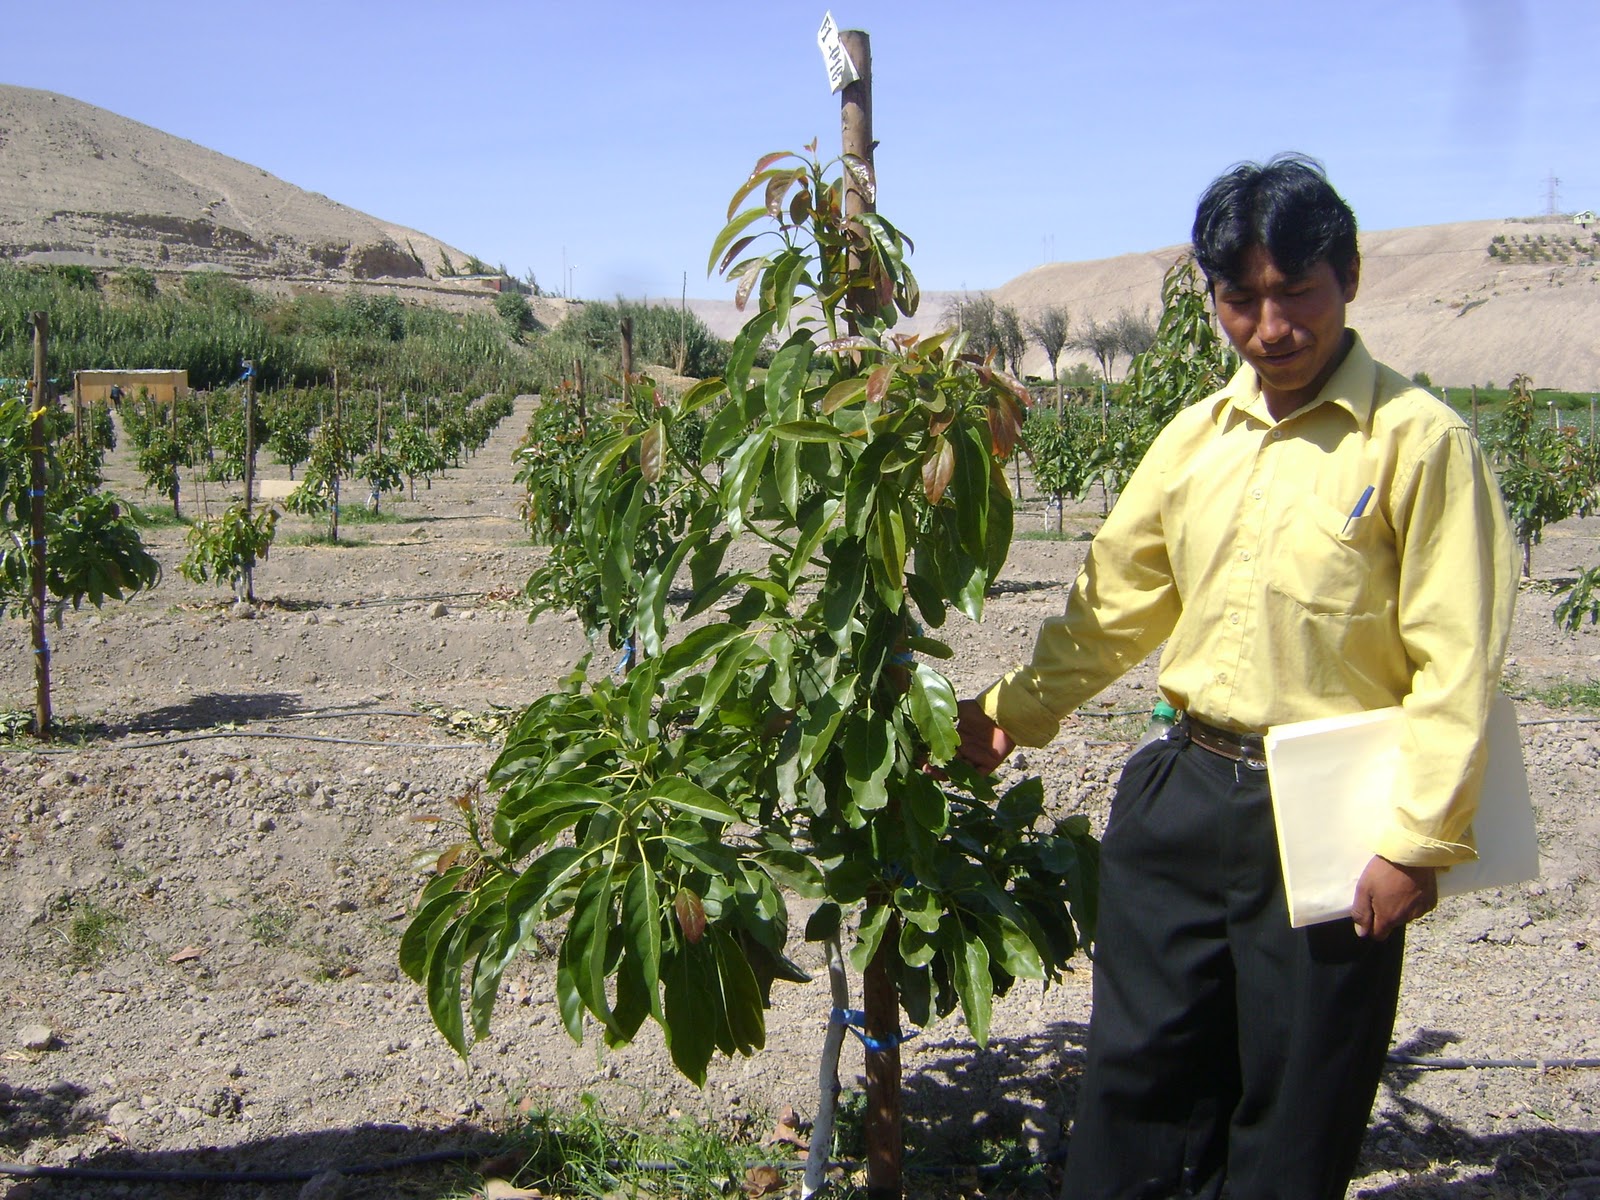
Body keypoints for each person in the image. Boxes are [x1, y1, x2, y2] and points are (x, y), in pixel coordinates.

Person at [956, 154, 1516, 1200]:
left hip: (1333, 810)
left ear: (1350, 277)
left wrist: (1417, 839)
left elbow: (1457, 658)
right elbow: (1113, 605)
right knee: (1137, 1075)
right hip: (1182, 787)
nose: (1271, 327)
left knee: (1296, 1102)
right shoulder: (1192, 441)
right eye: (1240, 299)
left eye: (1296, 291)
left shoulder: (1419, 443)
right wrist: (1009, 713)